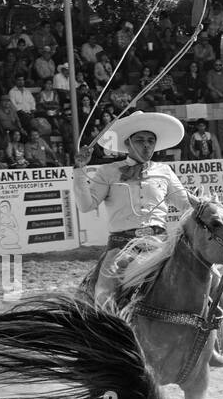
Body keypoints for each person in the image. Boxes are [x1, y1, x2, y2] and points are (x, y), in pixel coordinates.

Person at [73, 110, 192, 307]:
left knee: (197, 278)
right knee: (105, 293)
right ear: (127, 143)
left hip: (160, 243)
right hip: (121, 246)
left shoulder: (164, 171)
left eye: (150, 141)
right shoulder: (108, 171)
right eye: (139, 140)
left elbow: (185, 204)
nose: (146, 145)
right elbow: (86, 205)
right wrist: (79, 170)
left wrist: (204, 204)